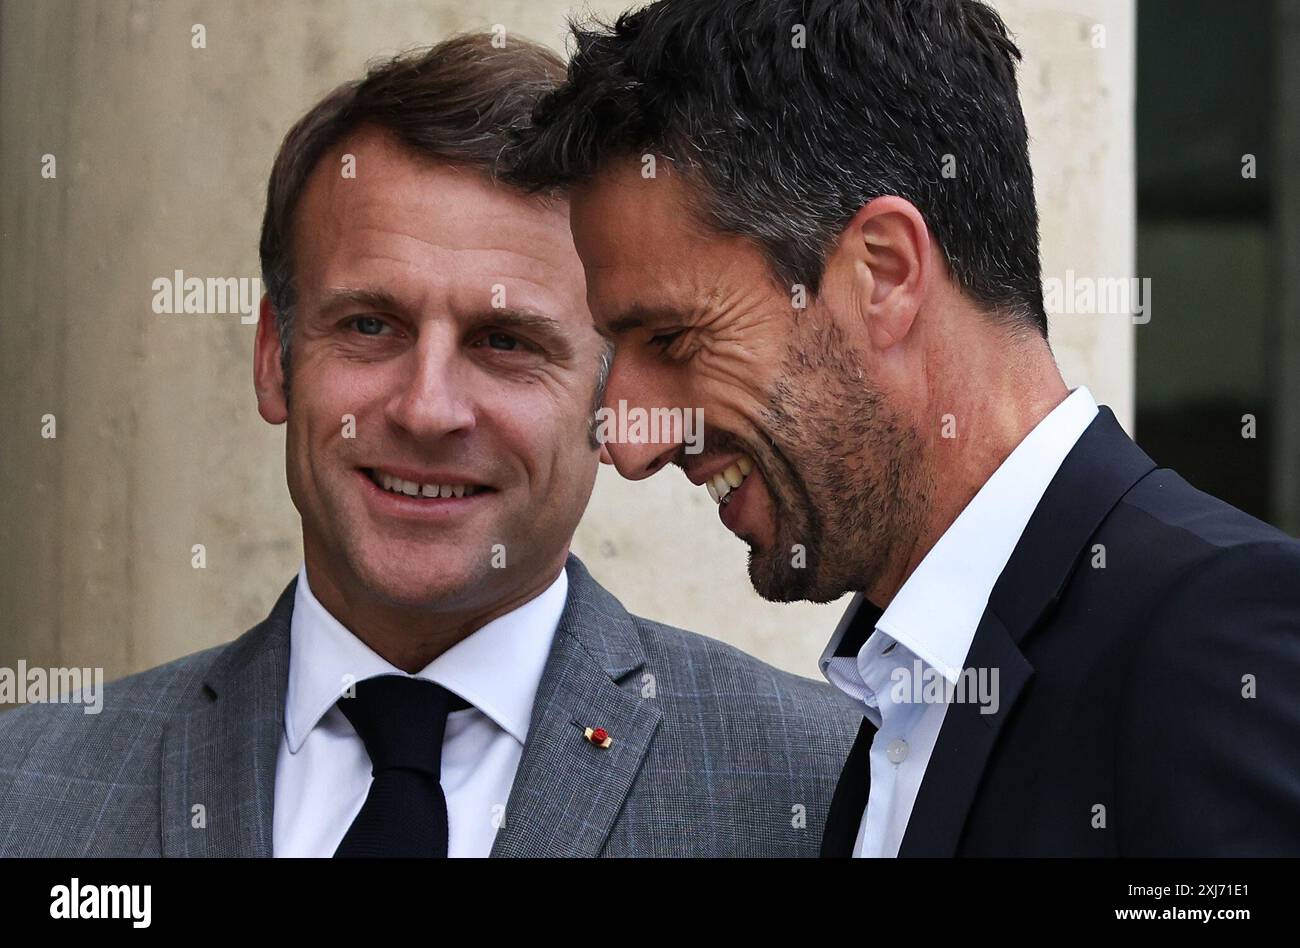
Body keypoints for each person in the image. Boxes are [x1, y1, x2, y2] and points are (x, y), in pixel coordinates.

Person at [0, 33, 857, 858]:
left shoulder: (822, 793)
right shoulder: (27, 790)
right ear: (274, 360)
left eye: (505, 342)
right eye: (370, 325)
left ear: (611, 398)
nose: (427, 408)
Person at [508, 0, 1300, 855]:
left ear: (884, 273)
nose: (629, 444)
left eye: (670, 338)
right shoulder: (908, 692)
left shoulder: (1218, 636)